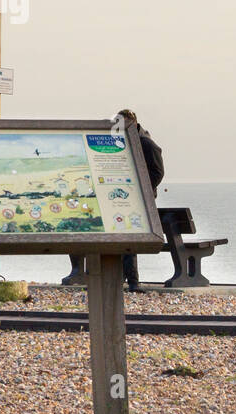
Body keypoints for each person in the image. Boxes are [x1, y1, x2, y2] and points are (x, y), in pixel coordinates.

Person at [60, 108, 164, 293]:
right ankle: (102, 276)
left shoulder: (146, 143)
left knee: (128, 237)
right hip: (115, 196)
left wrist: (141, 190)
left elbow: (157, 172)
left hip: (137, 198)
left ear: (132, 123)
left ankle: (133, 281)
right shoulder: (120, 140)